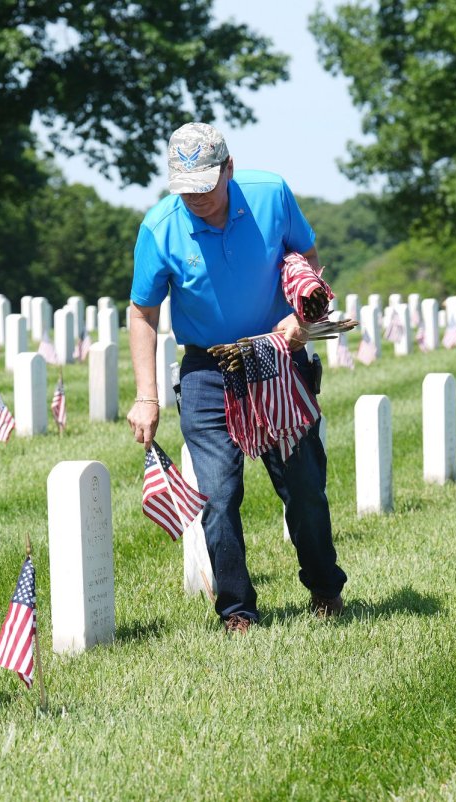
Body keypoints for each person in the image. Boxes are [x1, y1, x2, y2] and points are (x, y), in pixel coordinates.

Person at [127, 122, 347, 634]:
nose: (197, 199)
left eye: (205, 185)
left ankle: (324, 588)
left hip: (276, 352)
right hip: (207, 365)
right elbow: (142, 312)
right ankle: (237, 612)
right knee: (217, 496)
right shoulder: (160, 227)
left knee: (304, 484)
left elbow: (306, 258)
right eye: (185, 190)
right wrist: (147, 395)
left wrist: (302, 317)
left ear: (229, 169)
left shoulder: (271, 195)